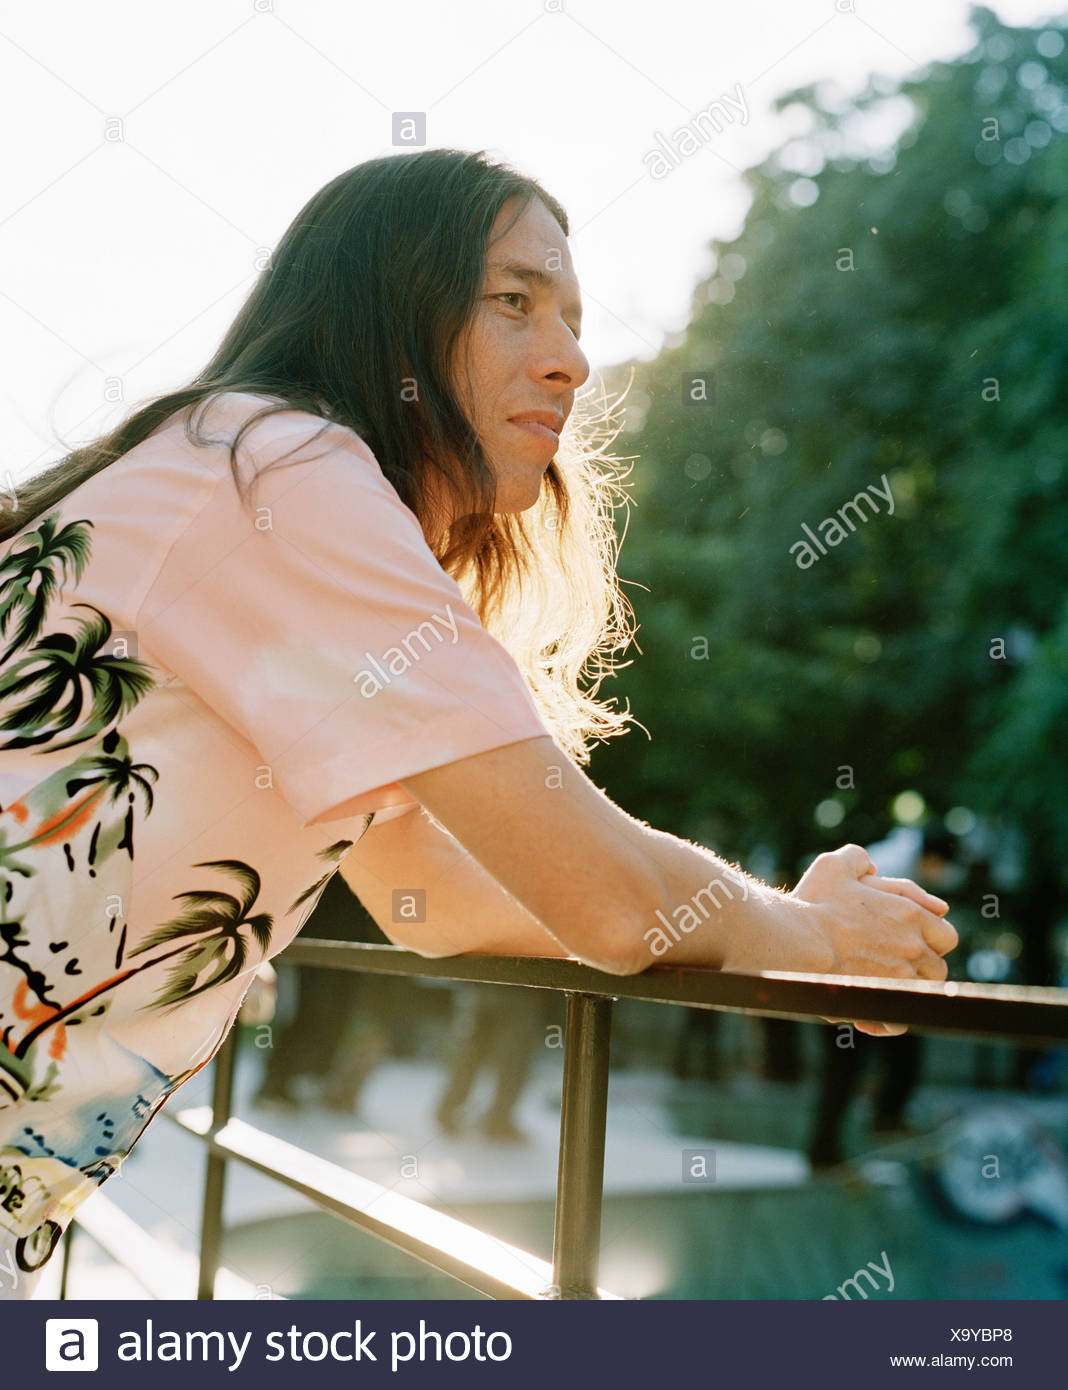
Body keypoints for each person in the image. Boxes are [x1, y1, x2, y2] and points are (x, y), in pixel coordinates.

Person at [0, 148, 957, 1299]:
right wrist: (809, 935)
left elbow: (433, 895)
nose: (573, 359)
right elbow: (608, 900)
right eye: (515, 301)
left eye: (574, 317)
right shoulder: (284, 473)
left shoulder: (240, 466)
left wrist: (762, 919)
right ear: (389, 308)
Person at [806, 823, 959, 1169]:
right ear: (931, 857)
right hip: (841, 983)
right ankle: (828, 1148)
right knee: (845, 1066)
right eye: (939, 866)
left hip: (860, 983)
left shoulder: (898, 857)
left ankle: (884, 1117)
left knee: (897, 1045)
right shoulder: (892, 868)